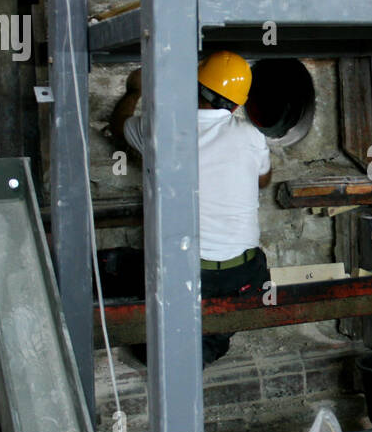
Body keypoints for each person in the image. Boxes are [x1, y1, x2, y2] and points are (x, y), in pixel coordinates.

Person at [110, 50, 272, 365]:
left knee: (120, 271)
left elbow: (119, 126)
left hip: (190, 273)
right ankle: (208, 340)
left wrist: (134, 91)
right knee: (203, 328)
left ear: (194, 86)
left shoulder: (162, 128)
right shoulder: (251, 135)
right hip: (244, 277)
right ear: (236, 105)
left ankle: (182, 346)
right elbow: (264, 180)